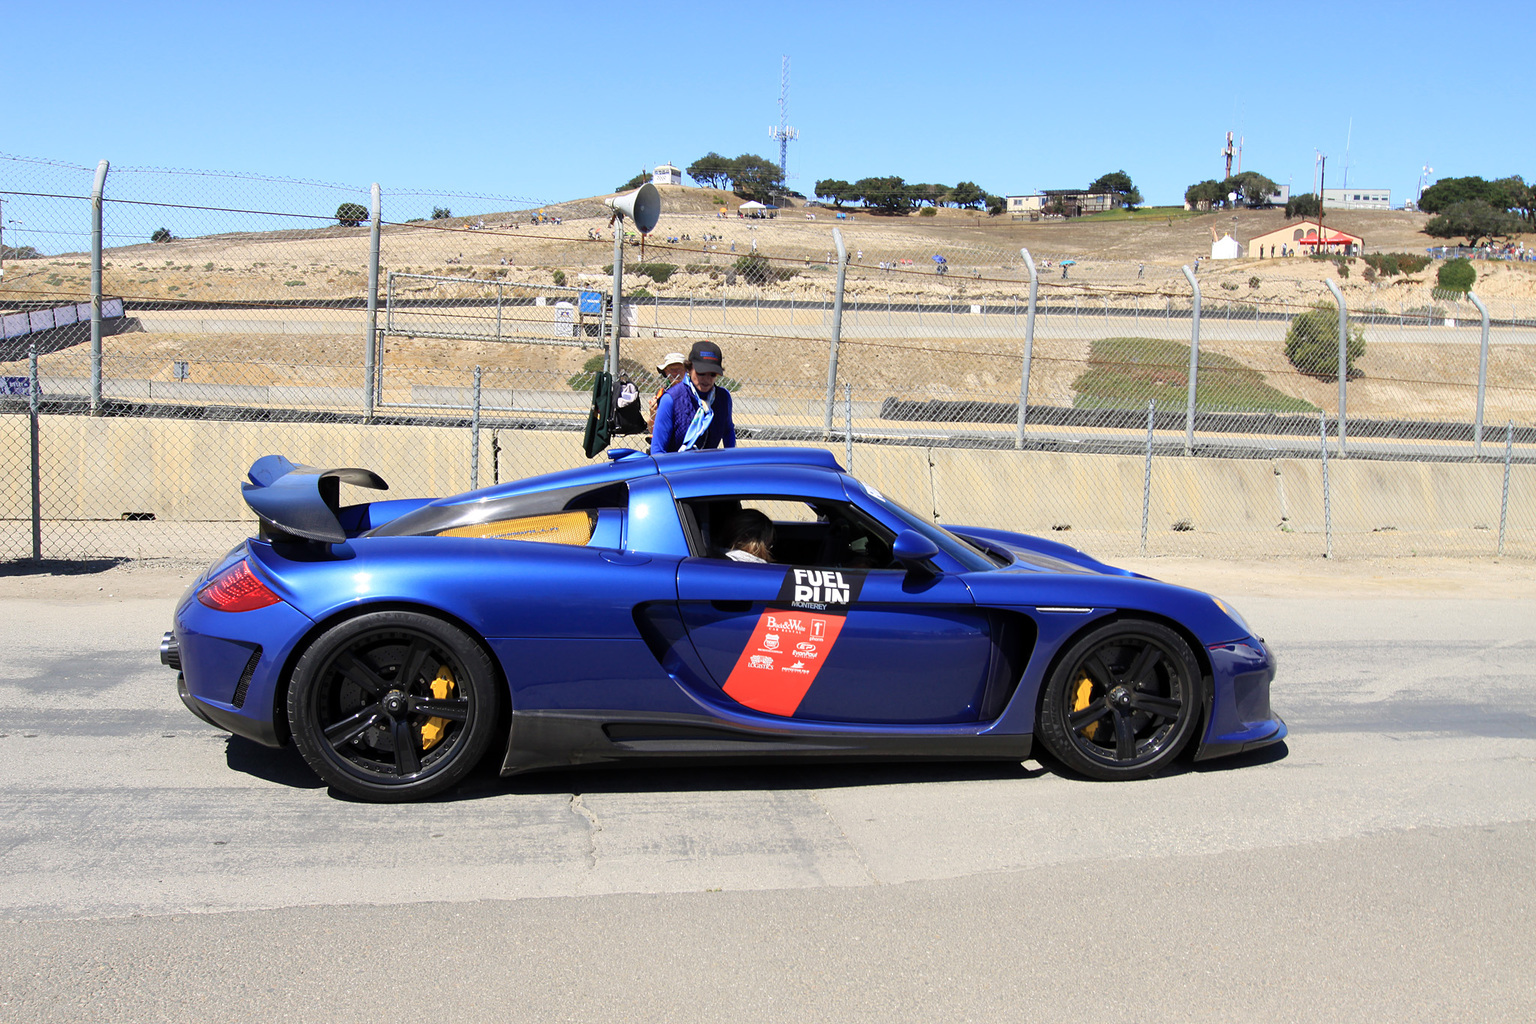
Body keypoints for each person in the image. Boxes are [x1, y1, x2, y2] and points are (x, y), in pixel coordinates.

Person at [651, 341, 737, 453]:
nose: (706, 379)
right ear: (689, 368)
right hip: (676, 467)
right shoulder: (671, 400)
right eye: (701, 373)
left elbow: (728, 431)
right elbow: (658, 451)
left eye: (712, 374)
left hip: (710, 467)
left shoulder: (723, 398)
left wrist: (730, 461)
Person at [646, 351, 686, 433]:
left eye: (679, 369)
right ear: (666, 372)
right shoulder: (661, 393)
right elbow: (652, 430)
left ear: (686, 370)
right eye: (671, 369)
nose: (675, 373)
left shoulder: (693, 391)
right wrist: (653, 414)